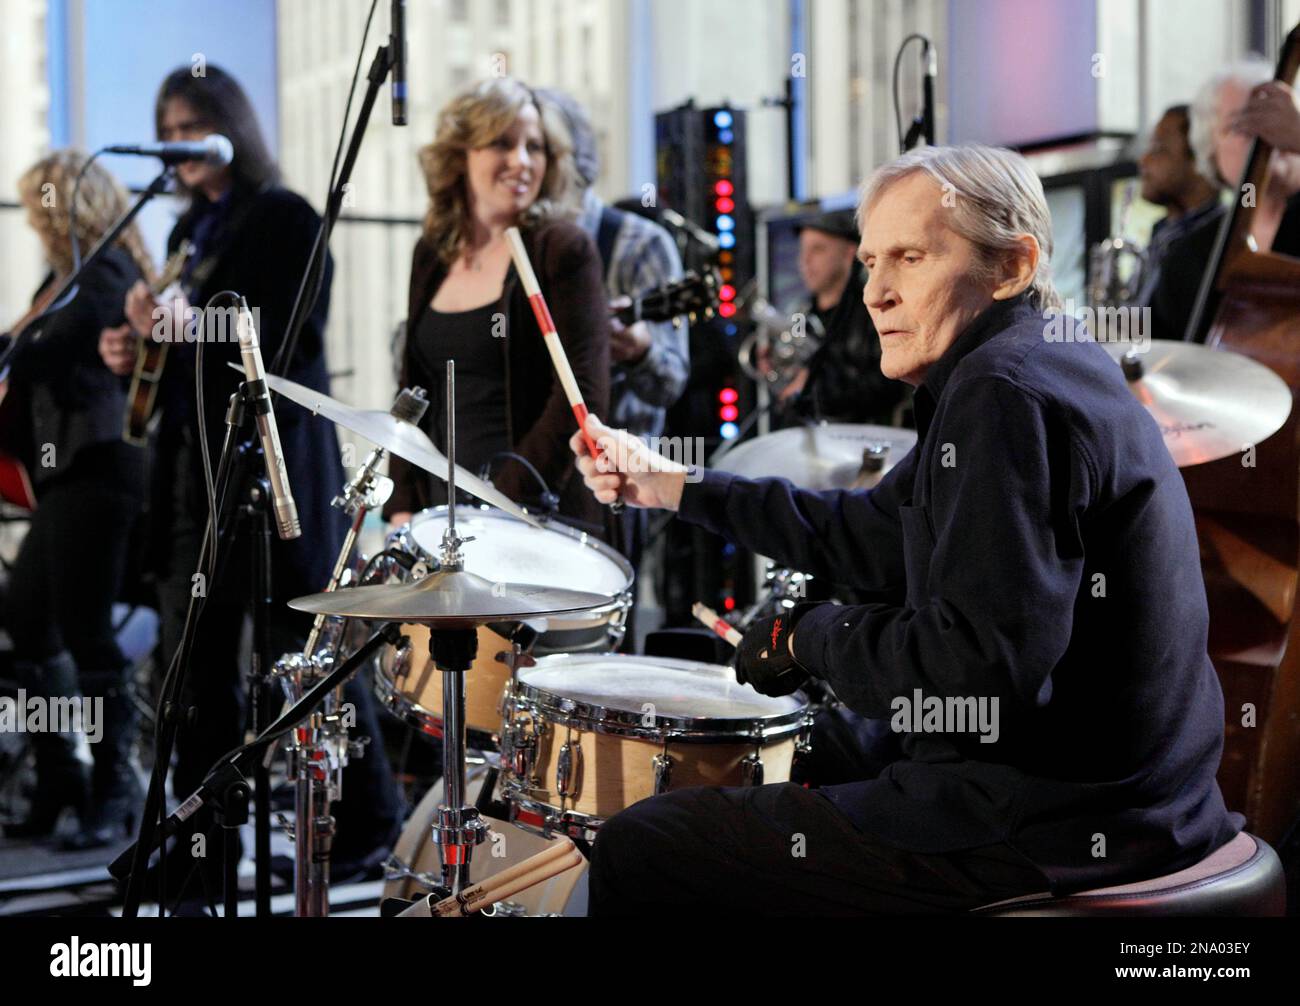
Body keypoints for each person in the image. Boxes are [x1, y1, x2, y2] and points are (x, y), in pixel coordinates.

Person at [570, 144, 1242, 915]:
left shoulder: (1002, 391)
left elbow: (977, 668)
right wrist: (674, 485)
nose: (876, 293)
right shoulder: (1040, 358)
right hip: (1136, 796)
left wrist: (810, 637)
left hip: (1054, 817)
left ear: (1012, 265)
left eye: (910, 258)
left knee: (645, 843)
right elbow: (867, 533)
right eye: (869, 262)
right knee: (801, 748)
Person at [97, 65, 401, 897]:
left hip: (271, 473)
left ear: (231, 125)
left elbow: (291, 337)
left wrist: (193, 325)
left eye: (194, 124)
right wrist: (137, 350)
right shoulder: (187, 231)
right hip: (191, 476)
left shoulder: (284, 217)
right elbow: (181, 357)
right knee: (192, 670)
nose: (181, 141)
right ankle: (200, 850)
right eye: (169, 128)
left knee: (302, 658)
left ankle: (367, 823)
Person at [1, 152, 151, 847]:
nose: (32, 221)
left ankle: (115, 786)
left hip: (100, 466)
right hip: (62, 472)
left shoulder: (107, 273)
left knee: (85, 628)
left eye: (40, 207)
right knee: (27, 620)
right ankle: (61, 772)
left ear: (67, 208)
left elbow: (41, 350)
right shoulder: (57, 281)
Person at [383, 78, 610, 539]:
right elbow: (413, 385)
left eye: (535, 147)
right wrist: (402, 502)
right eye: (502, 143)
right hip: (442, 518)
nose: (522, 161)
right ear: (460, 155)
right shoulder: (432, 253)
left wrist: (501, 503)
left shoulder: (562, 248)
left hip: (535, 518)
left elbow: (581, 394)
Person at [1148, 61, 1300, 341]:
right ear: (1211, 151)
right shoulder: (1189, 258)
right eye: (1240, 124)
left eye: (1276, 115)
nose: (1265, 133)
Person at [775, 211, 909, 426]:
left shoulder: (876, 310)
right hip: (807, 437)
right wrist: (776, 367)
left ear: (849, 254)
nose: (804, 261)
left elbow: (889, 387)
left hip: (863, 437)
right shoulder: (800, 314)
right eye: (802, 250)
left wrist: (815, 386)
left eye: (817, 249)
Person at [1132, 104, 1223, 306]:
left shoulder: (1218, 239)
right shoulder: (1162, 233)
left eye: (1159, 149)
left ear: (1200, 161)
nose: (1143, 160)